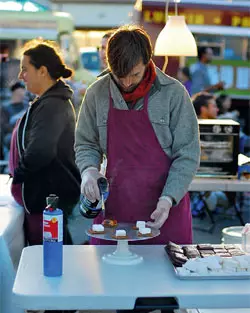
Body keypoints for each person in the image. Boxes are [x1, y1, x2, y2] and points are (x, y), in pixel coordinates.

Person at [75, 25, 200, 247]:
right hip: (115, 211)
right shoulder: (96, 93)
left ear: (148, 61)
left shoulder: (174, 93)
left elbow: (187, 154)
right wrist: (89, 171)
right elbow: (86, 143)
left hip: (164, 212)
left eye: (134, 74)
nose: (126, 83)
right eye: (119, 76)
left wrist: (168, 199)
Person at [9, 40, 80, 313]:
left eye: (25, 68)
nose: (20, 76)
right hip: (46, 201)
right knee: (53, 269)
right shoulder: (49, 101)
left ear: (43, 71)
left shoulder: (52, 105)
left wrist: (18, 175)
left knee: (54, 271)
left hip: (50, 202)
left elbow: (40, 151)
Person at [192, 92, 229, 212]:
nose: (217, 109)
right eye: (214, 106)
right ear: (203, 109)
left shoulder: (214, 127)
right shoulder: (194, 128)